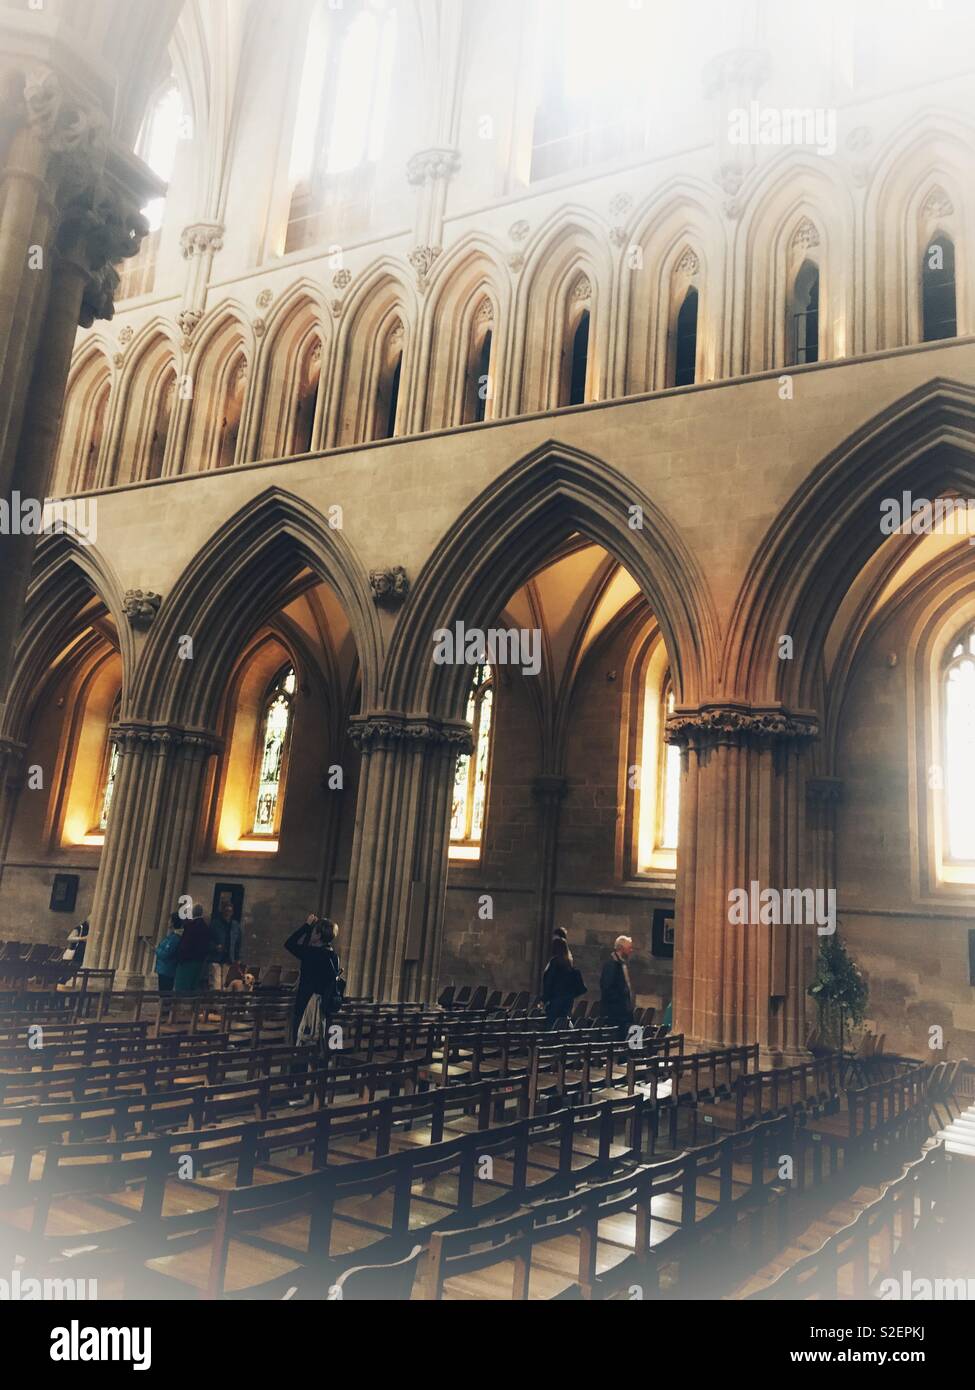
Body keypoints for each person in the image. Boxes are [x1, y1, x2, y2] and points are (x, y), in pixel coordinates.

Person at [285, 915, 344, 1046]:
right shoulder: (333, 956)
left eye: (313, 932)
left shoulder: (311, 953)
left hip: (305, 1005)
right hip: (324, 1006)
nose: (311, 934)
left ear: (317, 936)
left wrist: (306, 926)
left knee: (300, 1044)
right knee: (317, 1045)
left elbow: (289, 944)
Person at [541, 936, 585, 1028]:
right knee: (562, 1027)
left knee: (551, 1029)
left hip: (554, 1005)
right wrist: (569, 995)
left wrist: (544, 1000)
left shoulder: (554, 964)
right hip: (567, 1005)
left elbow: (548, 984)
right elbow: (580, 988)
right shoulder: (569, 966)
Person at [599, 935, 635, 1038]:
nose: (631, 951)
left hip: (623, 1012)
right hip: (614, 1013)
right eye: (629, 948)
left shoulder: (621, 964)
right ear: (621, 949)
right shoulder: (611, 965)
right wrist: (621, 999)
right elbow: (607, 988)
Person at [174, 904, 211, 993]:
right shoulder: (205, 927)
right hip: (199, 961)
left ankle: (182, 1005)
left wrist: (180, 957)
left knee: (183, 987)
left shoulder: (191, 926)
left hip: (187, 961)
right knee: (193, 986)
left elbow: (185, 944)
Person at [208, 900, 242, 990]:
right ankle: (215, 1001)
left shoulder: (235, 926)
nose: (228, 913)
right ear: (222, 911)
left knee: (224, 984)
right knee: (216, 983)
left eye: (230, 911)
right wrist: (215, 947)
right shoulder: (215, 924)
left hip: (228, 958)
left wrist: (237, 958)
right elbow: (207, 940)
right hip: (216, 957)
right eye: (226, 911)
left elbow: (238, 943)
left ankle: (219, 1001)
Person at [154, 914, 184, 993]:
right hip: (164, 968)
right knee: (163, 993)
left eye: (169, 920)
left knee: (165, 994)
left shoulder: (175, 938)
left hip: (167, 969)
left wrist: (156, 950)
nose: (168, 922)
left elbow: (166, 954)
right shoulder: (171, 936)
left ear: (173, 923)